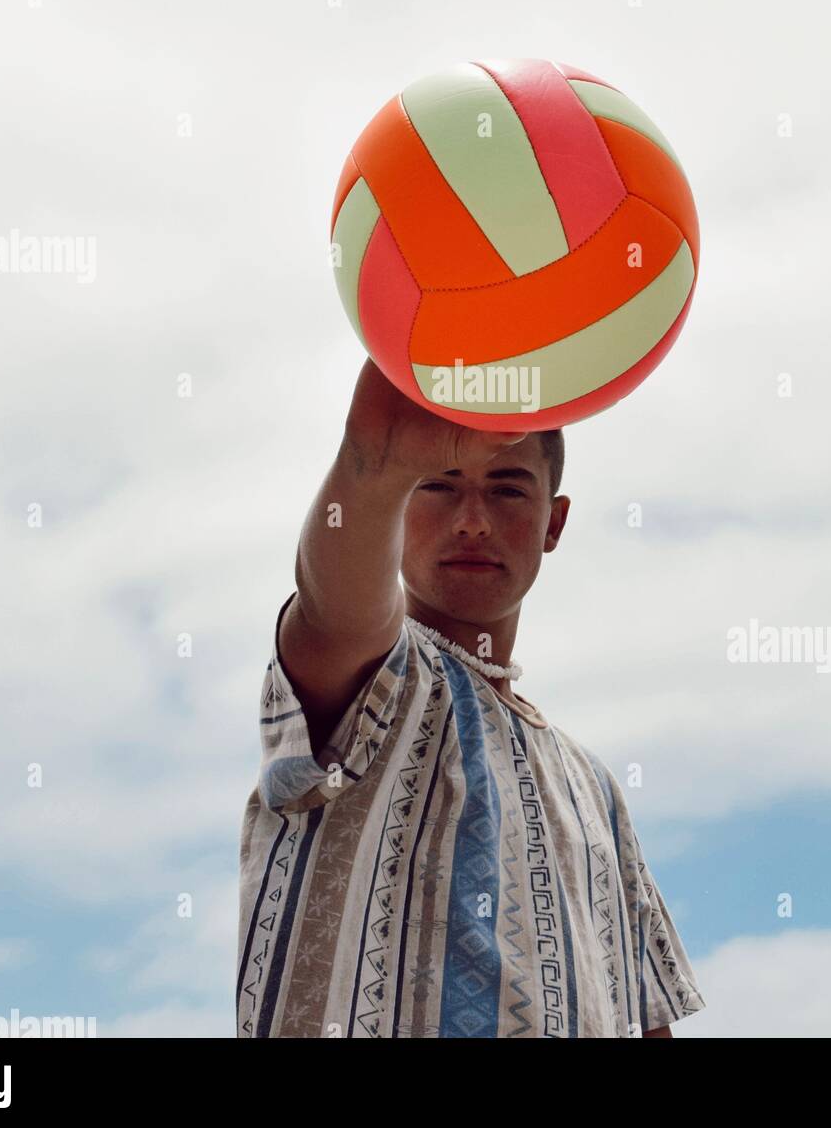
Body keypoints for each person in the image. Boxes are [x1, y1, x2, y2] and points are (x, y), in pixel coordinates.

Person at [236, 357, 707, 1038]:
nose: (472, 522)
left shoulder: (593, 786)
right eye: (436, 485)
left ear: (554, 522)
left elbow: (644, 1016)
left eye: (509, 491)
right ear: (395, 510)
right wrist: (371, 467)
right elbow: (335, 610)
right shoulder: (382, 678)